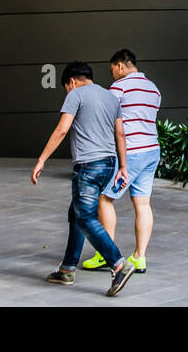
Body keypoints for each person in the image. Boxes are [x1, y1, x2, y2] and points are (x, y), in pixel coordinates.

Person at [31, 61, 137, 297]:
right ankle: (67, 269)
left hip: (88, 165)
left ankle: (119, 264)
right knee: (76, 213)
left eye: (66, 88)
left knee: (86, 217)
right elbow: (120, 133)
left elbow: (62, 129)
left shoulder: (75, 94)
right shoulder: (111, 97)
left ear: (71, 81)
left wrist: (41, 160)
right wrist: (123, 167)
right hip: (109, 164)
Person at [82, 49, 162, 276]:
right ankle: (139, 257)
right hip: (152, 151)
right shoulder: (154, 89)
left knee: (105, 199)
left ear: (120, 66)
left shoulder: (120, 87)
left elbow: (106, 116)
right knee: (143, 204)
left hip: (131, 153)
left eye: (112, 71)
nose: (112, 76)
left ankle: (106, 255)